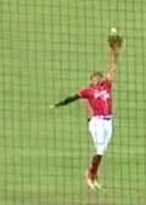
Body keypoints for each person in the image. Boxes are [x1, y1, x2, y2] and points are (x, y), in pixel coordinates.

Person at [52, 33, 122, 191]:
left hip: (109, 122)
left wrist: (114, 52)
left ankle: (94, 175)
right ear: (91, 81)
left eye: (98, 77)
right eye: (94, 78)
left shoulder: (107, 86)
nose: (96, 79)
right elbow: (72, 98)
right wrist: (58, 105)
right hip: (96, 122)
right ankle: (90, 175)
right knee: (99, 149)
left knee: (102, 150)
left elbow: (113, 68)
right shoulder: (88, 91)